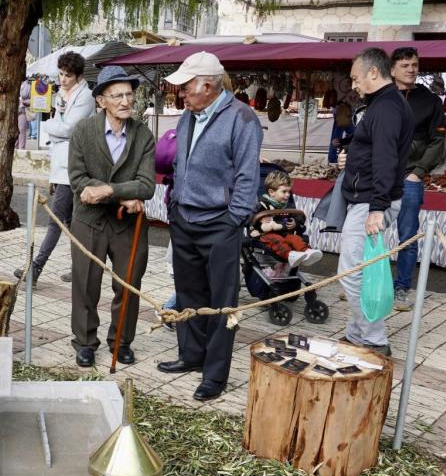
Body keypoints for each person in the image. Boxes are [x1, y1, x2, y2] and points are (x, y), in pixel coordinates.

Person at [156, 51, 263, 401]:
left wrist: (234, 218)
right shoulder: (188, 116)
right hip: (184, 219)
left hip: (220, 223)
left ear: (208, 85)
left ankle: (214, 375)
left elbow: (249, 174)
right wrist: (175, 205)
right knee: (188, 295)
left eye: (186, 87)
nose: (182, 94)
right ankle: (191, 355)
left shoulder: (242, 118)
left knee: (221, 304)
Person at [66, 66, 156, 368]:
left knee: (129, 284)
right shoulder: (82, 131)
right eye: (117, 95)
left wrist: (106, 190)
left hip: (128, 224)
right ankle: (85, 342)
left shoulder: (143, 134)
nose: (125, 101)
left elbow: (147, 186)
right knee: (85, 283)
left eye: (129, 94)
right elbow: (78, 180)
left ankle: (122, 341)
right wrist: (121, 194)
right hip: (88, 220)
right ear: (101, 100)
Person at [334, 48, 412, 356]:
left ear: (373, 73)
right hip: (367, 199)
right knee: (359, 271)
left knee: (353, 273)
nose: (353, 85)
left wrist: (377, 208)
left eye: (355, 78)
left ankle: (373, 339)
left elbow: (385, 158)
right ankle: (357, 333)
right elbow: (374, 151)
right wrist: (351, 157)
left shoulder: (386, 108)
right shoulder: (384, 105)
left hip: (371, 202)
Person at [14, 52, 95, 282]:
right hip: (60, 166)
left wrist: (49, 127)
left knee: (57, 220)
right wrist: (56, 130)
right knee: (69, 222)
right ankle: (82, 267)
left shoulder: (86, 96)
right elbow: (60, 132)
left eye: (67, 76)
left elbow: (69, 129)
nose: (62, 79)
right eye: (60, 74)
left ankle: (35, 269)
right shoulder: (61, 94)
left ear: (78, 76)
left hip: (75, 167)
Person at [389, 47, 446, 311]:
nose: (411, 69)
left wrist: (419, 171)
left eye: (414, 64)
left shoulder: (430, 101)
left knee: (408, 235)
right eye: (404, 65)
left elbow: (438, 140)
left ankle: (401, 288)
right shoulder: (381, 97)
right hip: (380, 175)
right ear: (392, 70)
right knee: (371, 234)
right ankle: (370, 284)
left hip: (410, 176)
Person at [251, 170, 322, 269]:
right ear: (271, 192)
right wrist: (259, 220)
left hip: (285, 233)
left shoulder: (287, 205)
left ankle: (306, 251)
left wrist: (295, 222)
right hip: (266, 235)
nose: (288, 195)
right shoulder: (262, 205)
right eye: (284, 191)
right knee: (277, 240)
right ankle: (290, 255)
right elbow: (250, 217)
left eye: (289, 191)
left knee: (295, 238)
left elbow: (299, 216)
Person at [17, 78, 32, 149]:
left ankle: (21, 148)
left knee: (21, 130)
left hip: (22, 111)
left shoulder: (28, 86)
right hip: (11, 112)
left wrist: (24, 102)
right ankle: (14, 149)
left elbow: (33, 99)